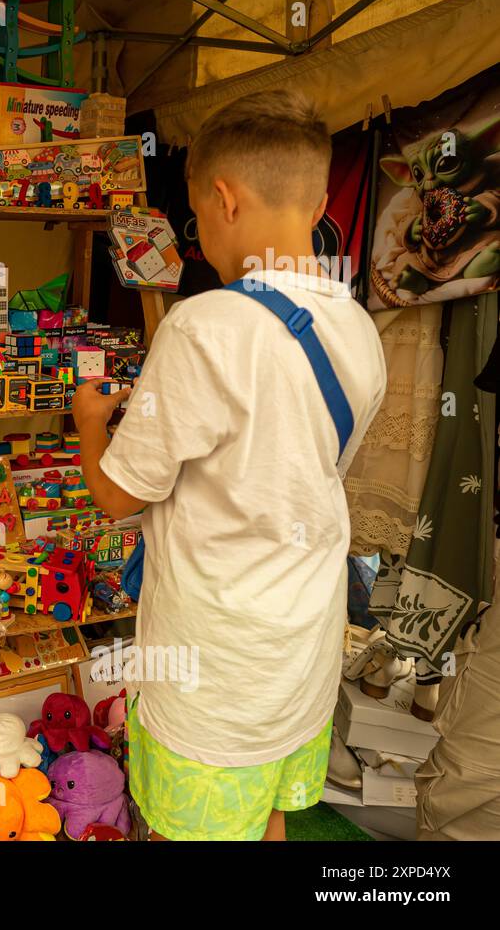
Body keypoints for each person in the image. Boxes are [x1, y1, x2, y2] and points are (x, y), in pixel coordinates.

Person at [73, 89, 387, 841]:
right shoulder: (359, 325)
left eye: (197, 219)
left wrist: (90, 424)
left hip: (214, 664)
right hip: (300, 651)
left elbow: (117, 497)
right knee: (268, 816)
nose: (201, 238)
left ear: (223, 197)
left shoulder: (206, 324)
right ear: (314, 204)